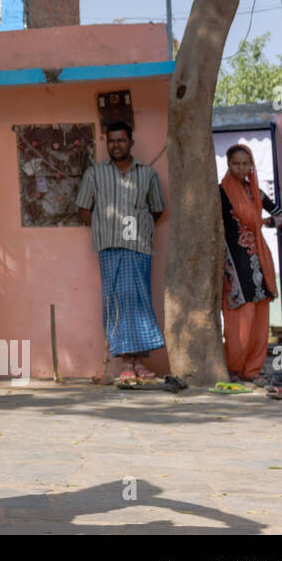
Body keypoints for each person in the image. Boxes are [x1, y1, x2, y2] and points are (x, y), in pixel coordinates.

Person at [75, 121, 166, 380]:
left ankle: (139, 363)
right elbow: (83, 208)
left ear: (131, 143)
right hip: (110, 248)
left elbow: (157, 209)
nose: (116, 145)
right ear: (107, 143)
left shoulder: (147, 174)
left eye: (121, 140)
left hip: (139, 247)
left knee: (139, 302)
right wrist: (106, 228)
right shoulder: (94, 174)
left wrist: (139, 228)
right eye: (112, 141)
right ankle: (125, 363)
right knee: (116, 302)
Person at [218, 143, 282, 382]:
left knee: (259, 320)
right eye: (236, 163)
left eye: (245, 164)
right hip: (233, 264)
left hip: (259, 261)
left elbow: (281, 217)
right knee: (239, 319)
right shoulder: (220, 192)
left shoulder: (255, 191)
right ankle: (234, 368)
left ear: (251, 165)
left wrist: (262, 223)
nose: (241, 168)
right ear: (228, 164)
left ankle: (253, 370)